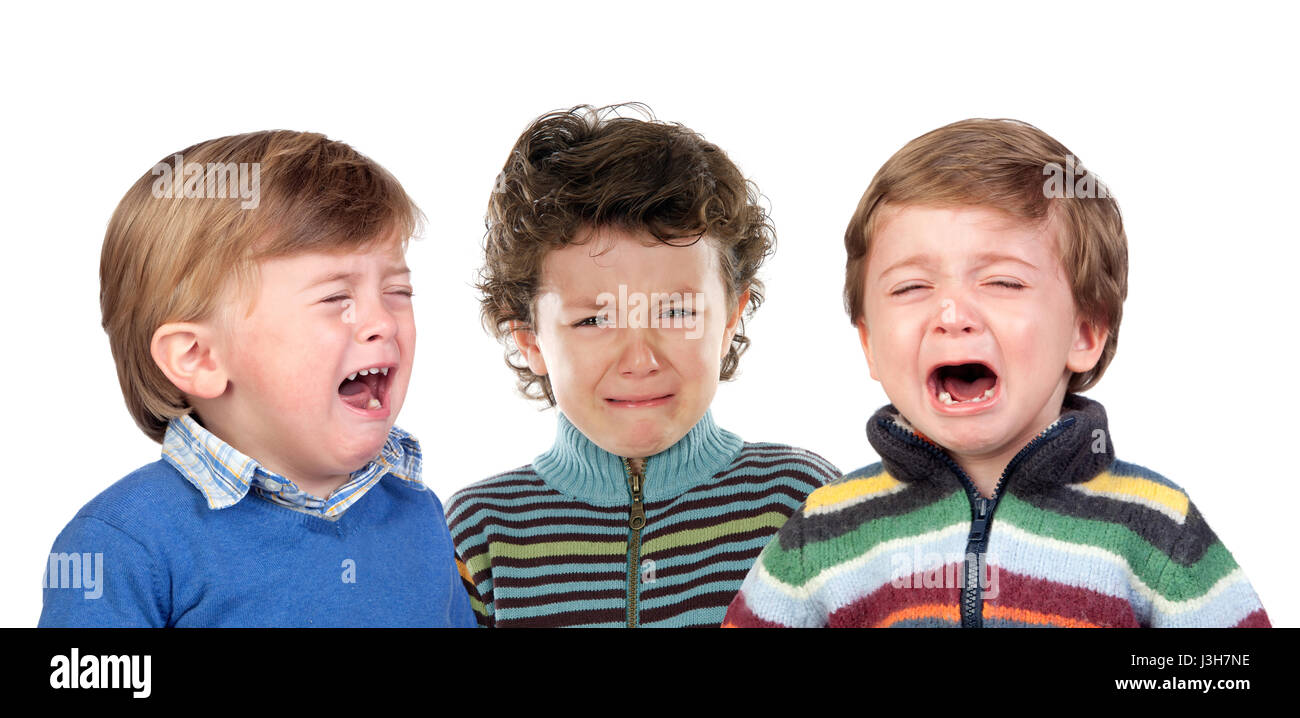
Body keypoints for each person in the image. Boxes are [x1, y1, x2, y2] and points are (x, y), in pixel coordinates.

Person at [724, 118, 1270, 628]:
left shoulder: (1155, 528)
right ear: (869, 344)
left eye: (1003, 282)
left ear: (1085, 332)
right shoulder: (822, 533)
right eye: (912, 287)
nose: (952, 316)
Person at [39, 130, 475, 627]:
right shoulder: (122, 543)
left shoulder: (419, 513)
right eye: (336, 298)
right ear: (198, 356)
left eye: (398, 290)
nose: (383, 322)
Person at [446, 105, 840, 627]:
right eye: (592, 320)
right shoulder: (478, 534)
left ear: (730, 319)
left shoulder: (801, 504)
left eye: (677, 313)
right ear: (529, 339)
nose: (640, 360)